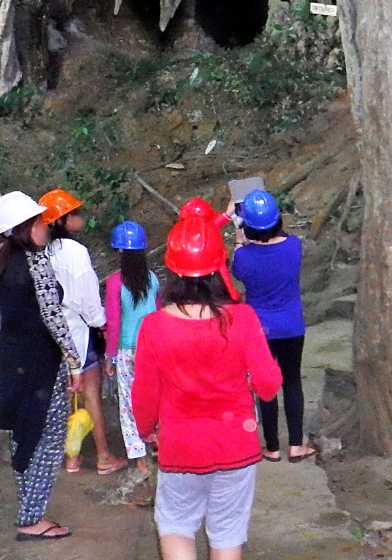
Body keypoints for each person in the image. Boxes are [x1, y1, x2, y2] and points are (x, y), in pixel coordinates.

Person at [132, 216, 282, 560]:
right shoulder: (242, 319)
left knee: (176, 525)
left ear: (171, 268)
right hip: (235, 445)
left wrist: (146, 430)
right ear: (220, 265)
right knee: (227, 533)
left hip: (179, 447)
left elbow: (144, 393)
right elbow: (269, 384)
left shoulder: (153, 326)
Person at [0, 191, 86, 542]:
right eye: (39, 221)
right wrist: (74, 362)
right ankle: (31, 517)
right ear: (25, 227)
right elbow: (53, 316)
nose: (45, 226)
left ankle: (30, 509)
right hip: (42, 367)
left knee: (24, 438)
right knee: (47, 442)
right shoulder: (37, 264)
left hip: (11, 364)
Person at [38, 188, 128, 476]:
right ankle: (102, 455)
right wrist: (101, 322)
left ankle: (72, 458)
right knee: (90, 394)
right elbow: (87, 297)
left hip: (52, 335)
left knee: (65, 396)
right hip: (78, 332)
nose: (81, 217)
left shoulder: (42, 251)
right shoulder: (75, 252)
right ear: (63, 221)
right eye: (75, 213)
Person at [230, 189, 314, 463]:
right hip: (292, 325)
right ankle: (297, 445)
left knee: (265, 385)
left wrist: (238, 233)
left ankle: (273, 447)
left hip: (260, 330)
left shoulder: (243, 258)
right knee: (292, 382)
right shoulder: (294, 247)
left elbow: (239, 268)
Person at [102, 220, 158, 475]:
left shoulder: (115, 282)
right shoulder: (153, 279)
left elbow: (113, 323)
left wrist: (109, 357)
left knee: (128, 404)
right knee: (156, 398)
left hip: (126, 350)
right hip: (154, 348)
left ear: (119, 252)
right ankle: (158, 442)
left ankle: (140, 459)